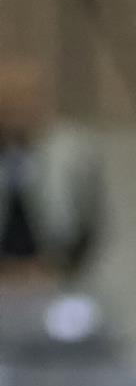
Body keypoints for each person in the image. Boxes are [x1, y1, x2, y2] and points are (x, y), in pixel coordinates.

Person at [0, 57, 105, 289]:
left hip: (51, 276)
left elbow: (89, 223)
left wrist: (59, 268)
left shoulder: (72, 153)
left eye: (24, 100)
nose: (16, 111)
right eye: (8, 104)